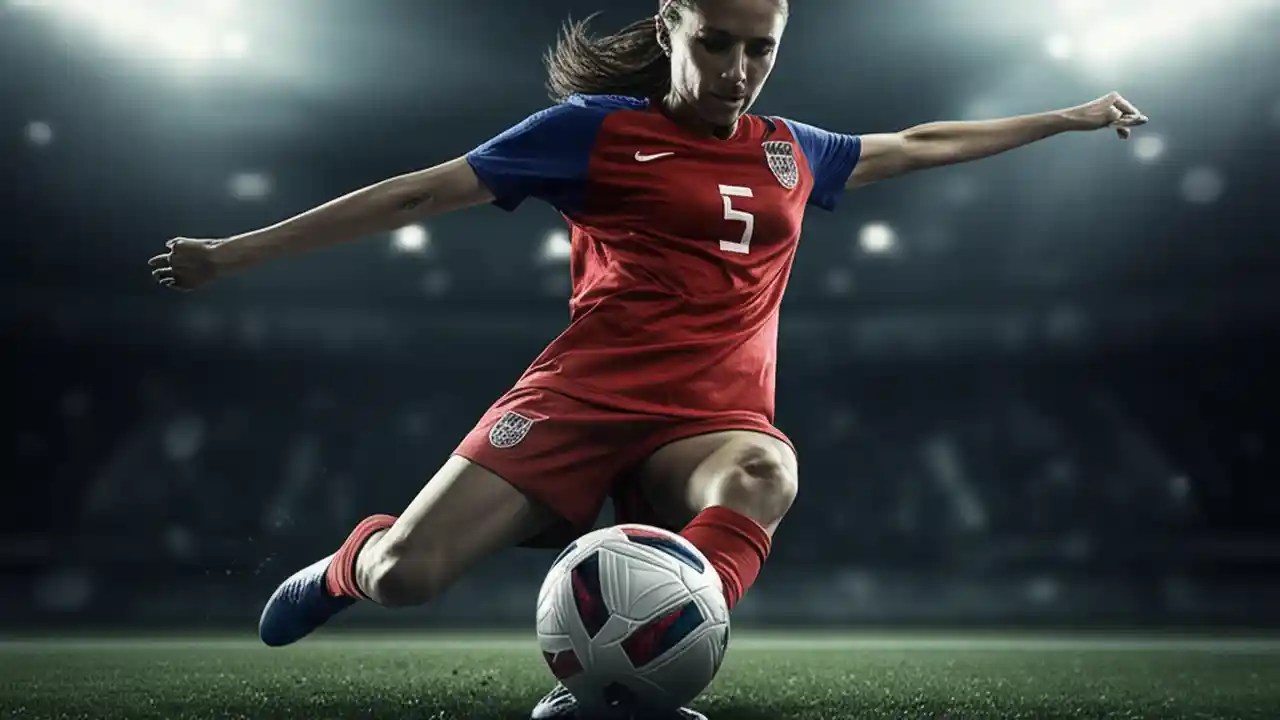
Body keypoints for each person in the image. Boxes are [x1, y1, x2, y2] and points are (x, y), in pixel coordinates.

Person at [148, 0, 1148, 717]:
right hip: (580, 399)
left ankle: (628, 686)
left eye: (761, 48)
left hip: (707, 423)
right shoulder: (591, 133)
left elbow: (923, 141)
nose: (740, 69)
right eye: (717, 43)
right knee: (410, 576)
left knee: (766, 471)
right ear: (670, 26)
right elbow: (416, 194)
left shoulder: (793, 152)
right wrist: (233, 253)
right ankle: (344, 567)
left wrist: (1065, 117)